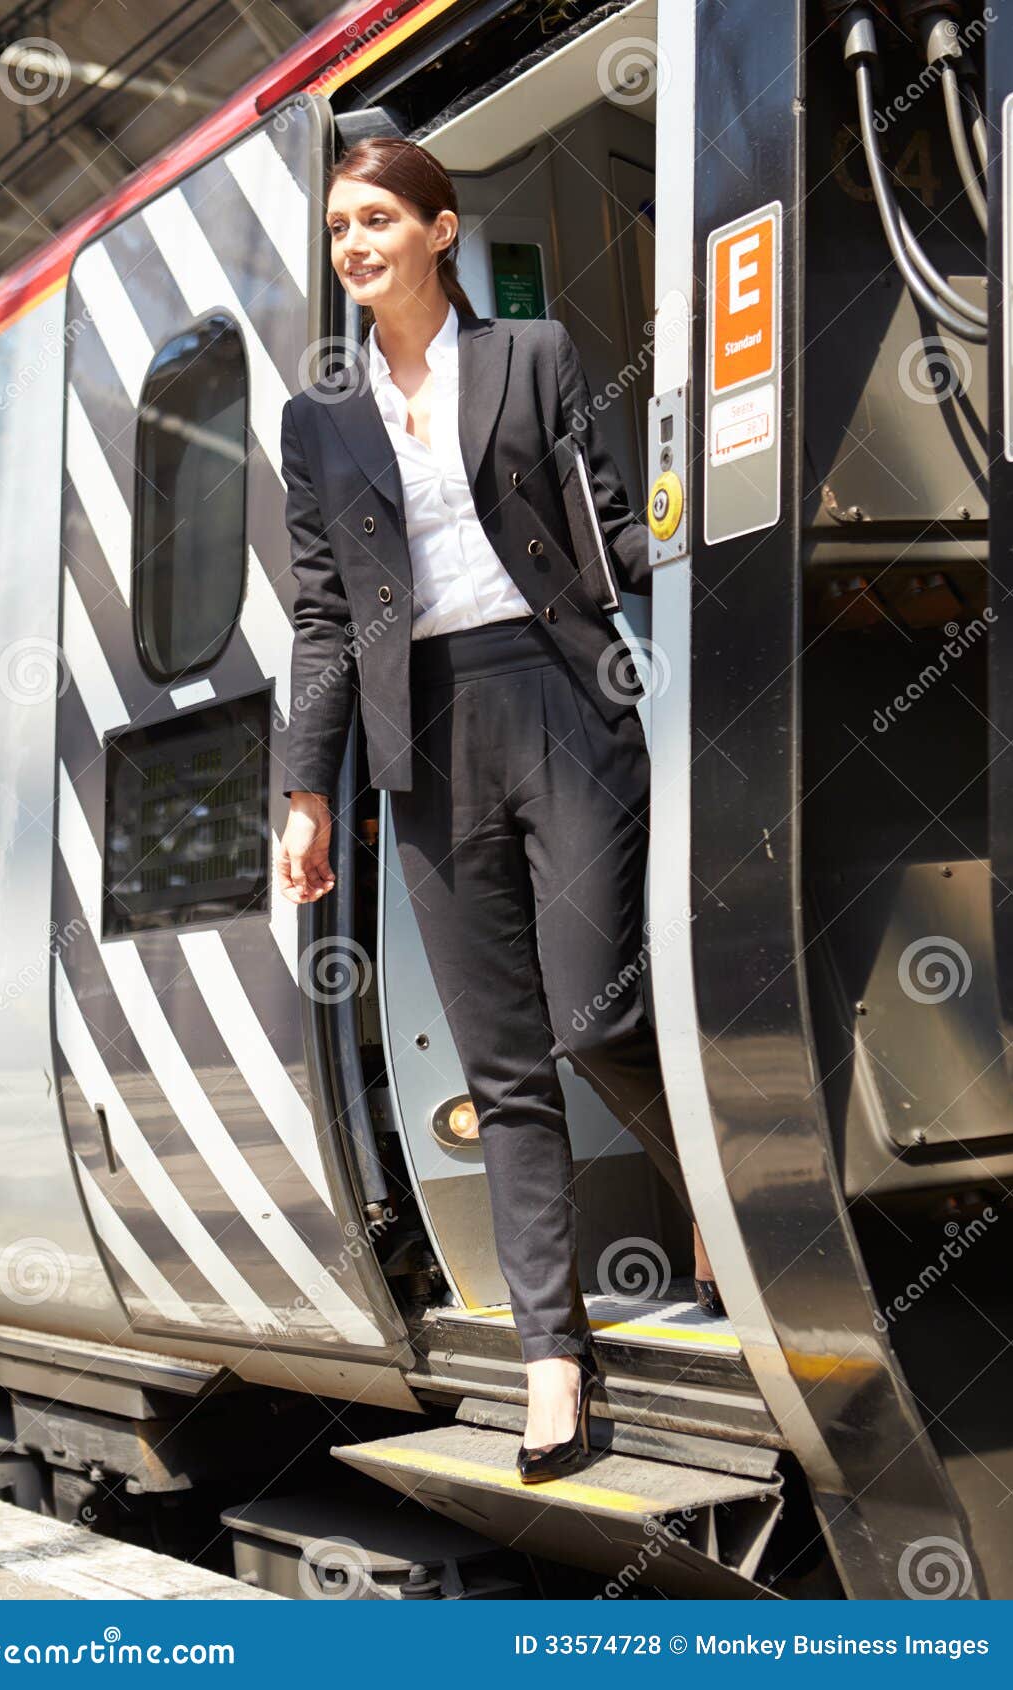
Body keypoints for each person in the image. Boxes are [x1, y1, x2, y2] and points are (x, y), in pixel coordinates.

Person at [276, 136, 721, 1485]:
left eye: (376, 219)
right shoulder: (319, 419)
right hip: (424, 740)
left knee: (599, 1018)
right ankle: (551, 1358)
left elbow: (603, 525)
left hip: (563, 702)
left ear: (439, 229)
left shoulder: (532, 356)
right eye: (339, 227)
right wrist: (305, 790)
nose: (354, 245)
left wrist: (717, 527)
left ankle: (735, 1211)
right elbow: (323, 618)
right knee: (505, 1064)